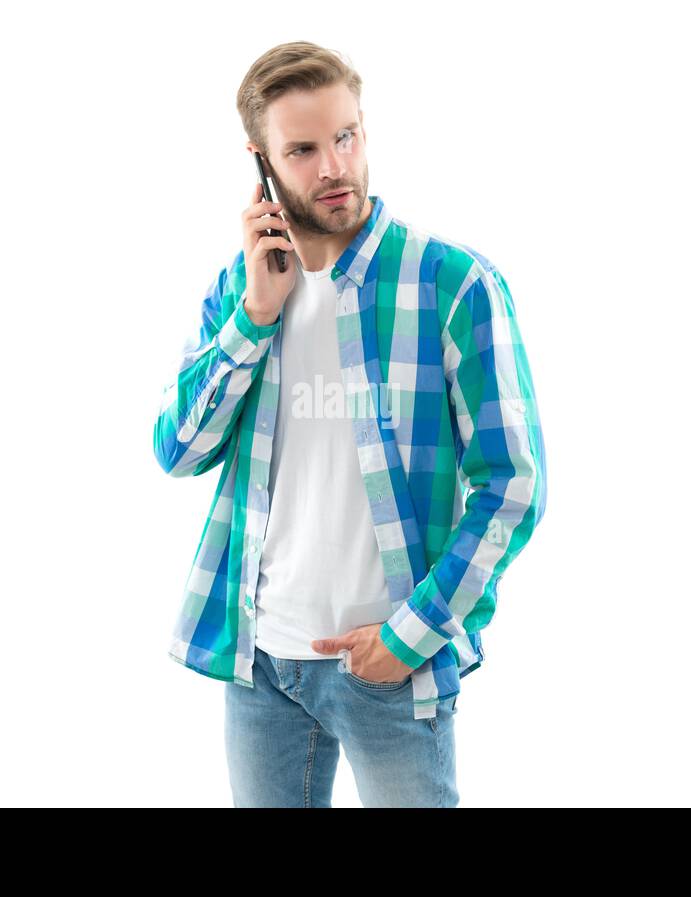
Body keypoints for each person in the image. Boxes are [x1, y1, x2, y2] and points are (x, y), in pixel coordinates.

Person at [155, 41, 547, 807]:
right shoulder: (241, 288)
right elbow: (178, 449)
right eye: (302, 149)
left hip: (388, 669)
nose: (334, 166)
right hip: (261, 662)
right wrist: (256, 316)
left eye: (347, 136)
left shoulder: (451, 283)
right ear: (260, 160)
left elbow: (513, 486)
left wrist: (413, 633)